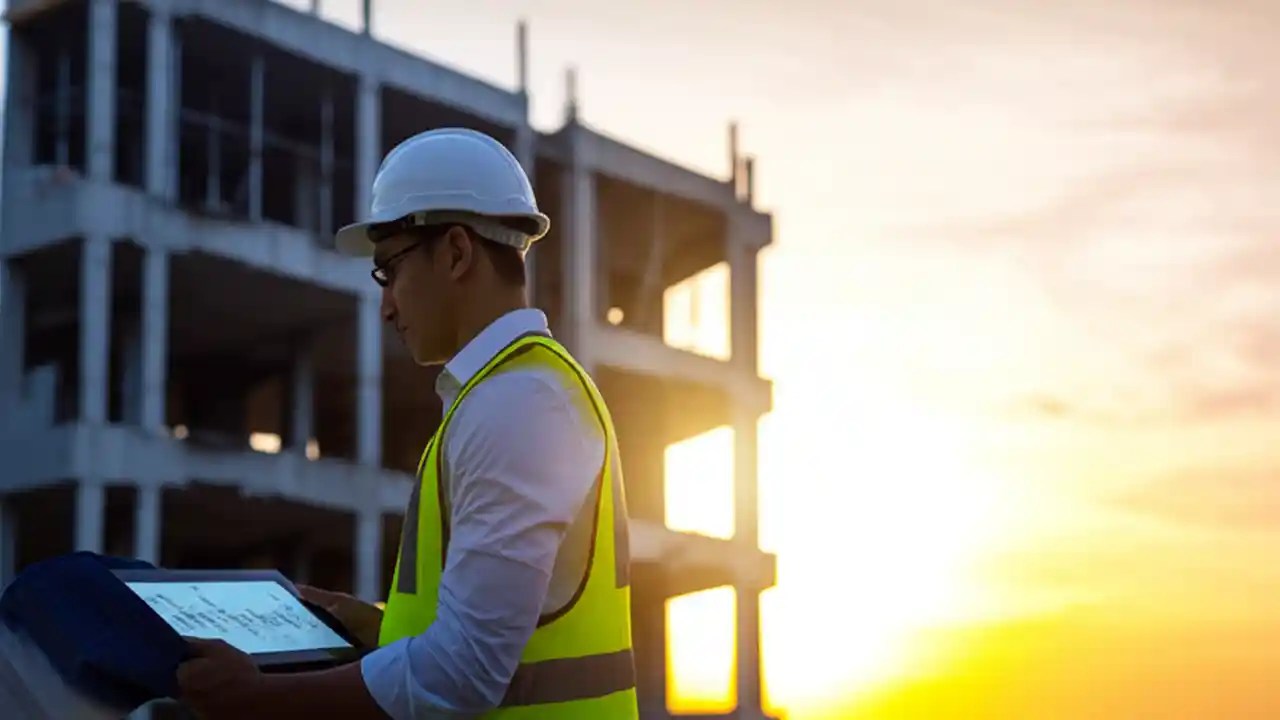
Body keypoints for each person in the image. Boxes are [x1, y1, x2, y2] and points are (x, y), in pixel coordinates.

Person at [175, 127, 638, 718]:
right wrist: (371, 625)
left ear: (456, 253)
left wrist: (261, 699)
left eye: (389, 271)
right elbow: (502, 635)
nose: (387, 304)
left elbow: (461, 674)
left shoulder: (518, 405)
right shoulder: (515, 393)